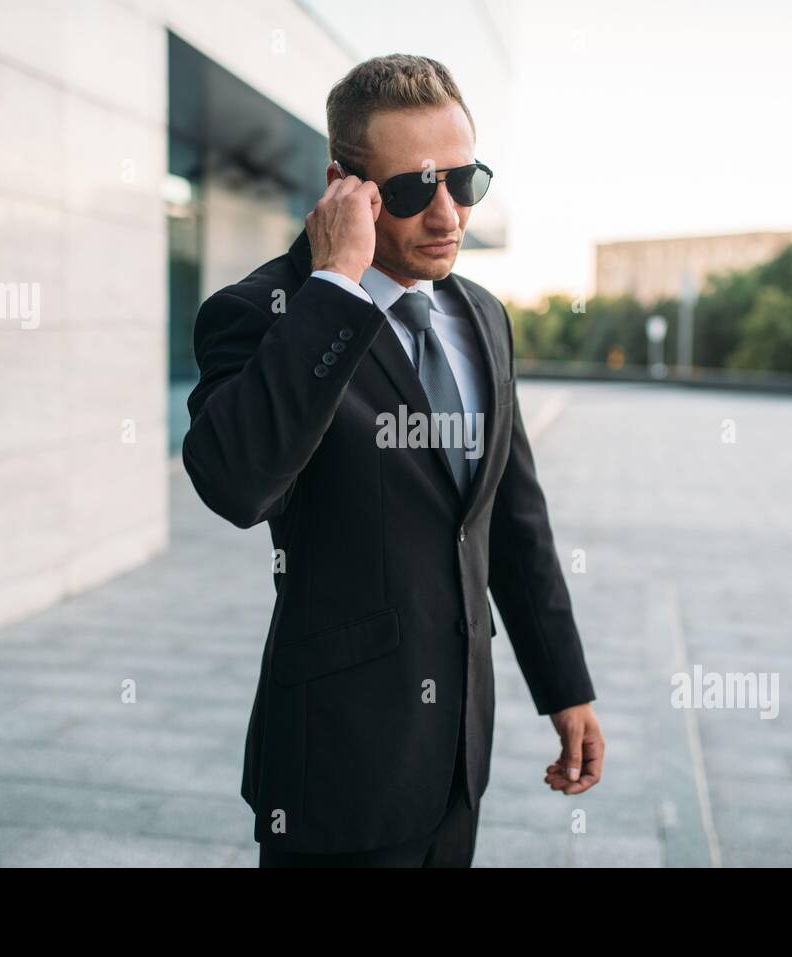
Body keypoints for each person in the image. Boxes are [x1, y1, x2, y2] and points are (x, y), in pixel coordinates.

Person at [182, 53, 603, 867]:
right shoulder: (260, 312)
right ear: (346, 184)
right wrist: (335, 282)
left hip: (456, 763)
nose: (448, 214)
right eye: (413, 189)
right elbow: (237, 483)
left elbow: (512, 519)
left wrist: (565, 685)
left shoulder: (483, 316)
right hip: (335, 767)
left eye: (464, 181)